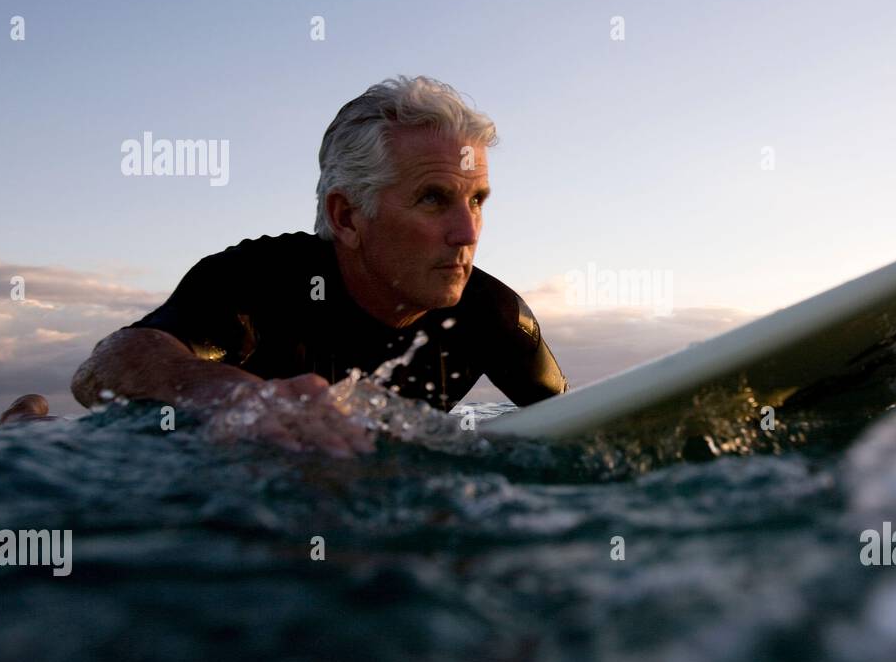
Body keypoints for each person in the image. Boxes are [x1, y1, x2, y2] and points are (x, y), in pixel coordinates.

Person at [32, 75, 567, 455]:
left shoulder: (492, 315)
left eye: (477, 200)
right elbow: (106, 367)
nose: (468, 233)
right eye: (433, 199)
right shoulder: (258, 282)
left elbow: (590, 425)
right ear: (347, 216)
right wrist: (237, 395)